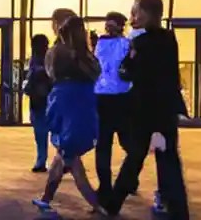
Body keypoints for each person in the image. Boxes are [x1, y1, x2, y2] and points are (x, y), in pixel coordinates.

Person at [105, 0, 190, 220]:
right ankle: (178, 210)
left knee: (135, 157)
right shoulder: (169, 38)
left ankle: (113, 204)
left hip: (144, 110)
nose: (132, 16)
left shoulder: (141, 42)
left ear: (146, 13)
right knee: (168, 159)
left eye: (135, 11)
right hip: (166, 110)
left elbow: (126, 72)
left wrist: (130, 54)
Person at [32, 12, 106, 218]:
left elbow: (51, 74)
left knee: (70, 159)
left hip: (64, 103)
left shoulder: (56, 52)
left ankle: (98, 205)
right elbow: (97, 75)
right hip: (85, 105)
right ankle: (46, 199)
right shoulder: (88, 57)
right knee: (63, 158)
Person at [92, 12, 131, 200]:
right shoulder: (126, 44)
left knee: (104, 145)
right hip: (121, 97)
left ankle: (106, 186)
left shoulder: (100, 44)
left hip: (105, 97)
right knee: (127, 143)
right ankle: (126, 180)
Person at [23, 34, 53, 173]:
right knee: (48, 131)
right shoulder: (45, 59)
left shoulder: (37, 61)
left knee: (40, 132)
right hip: (45, 98)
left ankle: (42, 160)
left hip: (39, 99)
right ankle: (60, 160)